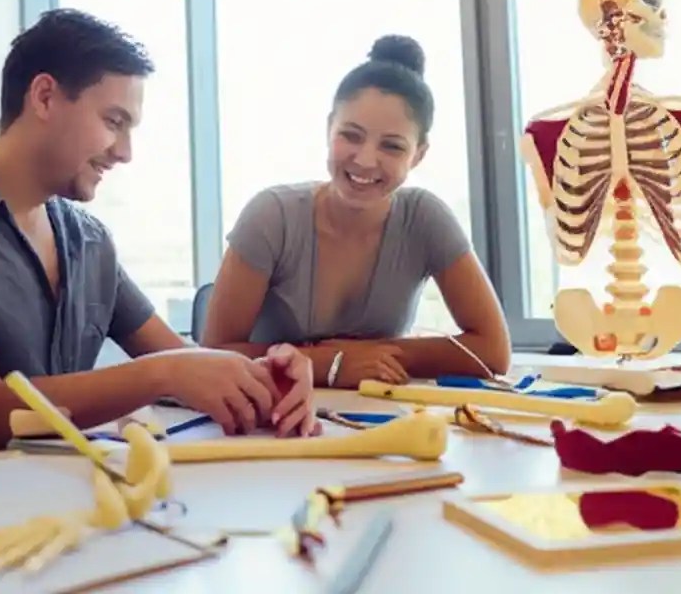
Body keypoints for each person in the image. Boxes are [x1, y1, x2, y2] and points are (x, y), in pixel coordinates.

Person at [0, 8, 318, 453]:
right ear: (44, 97)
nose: (125, 152)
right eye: (114, 122)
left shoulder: (89, 240)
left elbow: (178, 358)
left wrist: (258, 379)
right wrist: (163, 374)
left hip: (70, 500)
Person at [201, 35, 511, 388]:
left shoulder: (425, 219)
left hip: (369, 417)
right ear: (328, 129)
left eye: (392, 146)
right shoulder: (272, 216)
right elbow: (213, 354)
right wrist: (330, 363)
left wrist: (371, 354)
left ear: (419, 155)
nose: (365, 160)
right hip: (269, 422)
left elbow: (493, 351)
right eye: (350, 136)